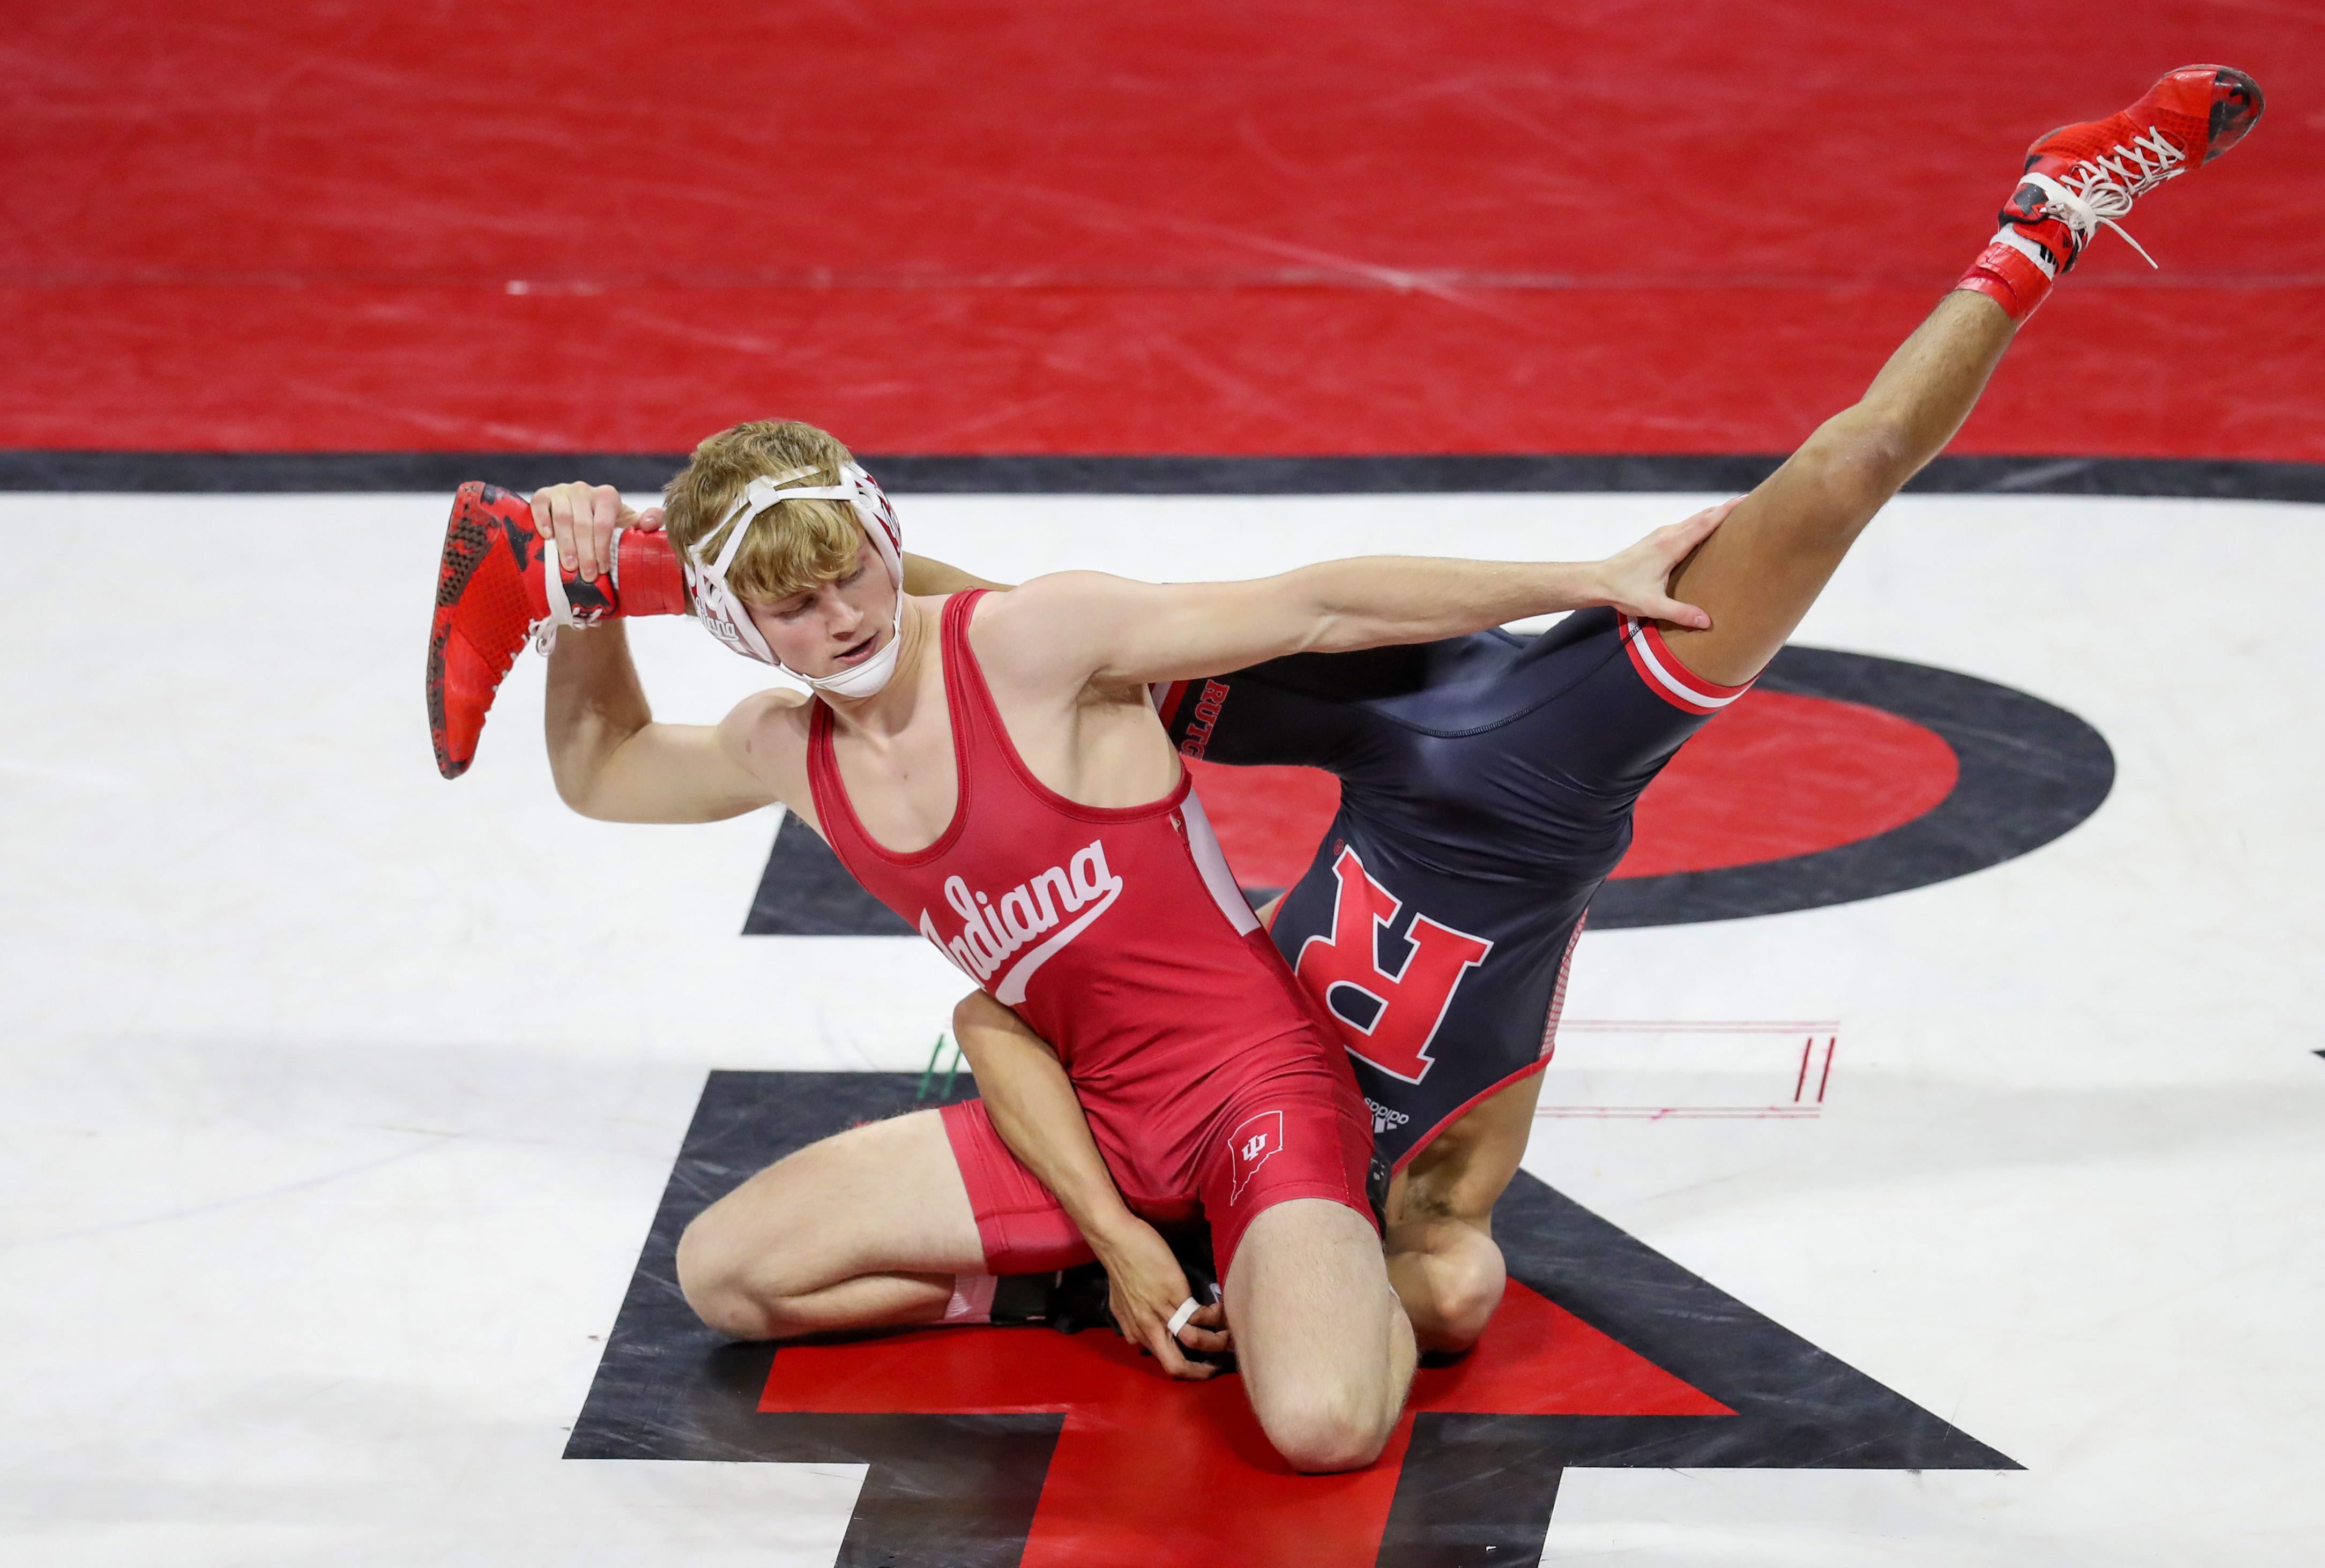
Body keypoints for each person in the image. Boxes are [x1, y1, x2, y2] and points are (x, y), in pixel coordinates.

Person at [727, 63, 2269, 1360]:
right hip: (1523, 759)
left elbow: (1021, 987)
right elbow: (1441, 1270)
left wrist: (1143, 1239)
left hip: (1377, 743)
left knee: (1013, 645)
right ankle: (2048, 218)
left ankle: (709, 560)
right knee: (1842, 476)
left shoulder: (1256, 1156)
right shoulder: (1445, 1170)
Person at [457, 424, 1721, 1472]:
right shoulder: (785, 750)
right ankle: (1096, 1276)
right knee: (729, 1276)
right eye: (794, 604)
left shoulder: (1031, 641)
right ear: (740, 624)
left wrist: (1585, 576)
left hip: (1257, 1091)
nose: (842, 617)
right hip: (1082, 1117)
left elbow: (1319, 607)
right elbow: (605, 771)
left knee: (1324, 1424)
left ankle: (1298, 1262)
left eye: (853, 573)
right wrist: (583, 599)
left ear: (886, 540)